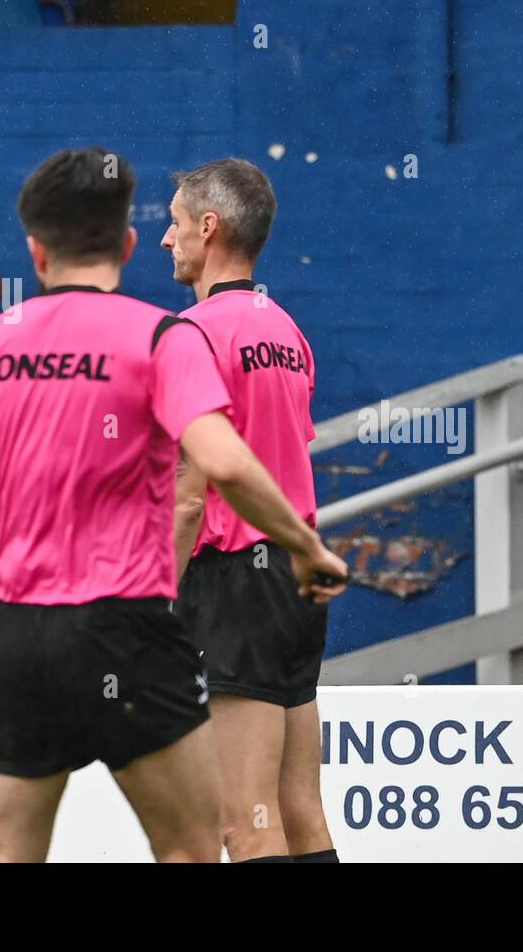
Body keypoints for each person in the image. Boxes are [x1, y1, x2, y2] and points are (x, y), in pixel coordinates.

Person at [0, 147, 348, 864]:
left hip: (24, 634)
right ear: (128, 243)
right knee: (210, 840)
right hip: (138, 628)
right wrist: (303, 545)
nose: (168, 239)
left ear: (34, 249)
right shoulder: (175, 335)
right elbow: (224, 461)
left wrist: (41, 506)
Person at [161, 158, 337, 863]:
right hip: (295, 582)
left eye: (175, 226)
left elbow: (188, 489)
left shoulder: (191, 333)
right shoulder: (286, 330)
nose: (165, 242)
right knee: (300, 815)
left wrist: (154, 601)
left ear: (210, 229)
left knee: (245, 821)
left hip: (231, 580)